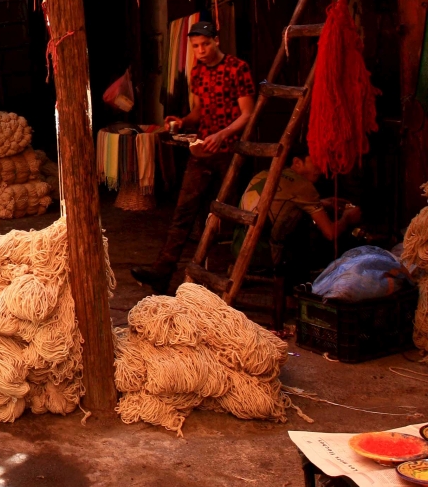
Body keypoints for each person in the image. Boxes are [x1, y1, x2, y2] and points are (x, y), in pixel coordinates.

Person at [131, 20, 255, 294]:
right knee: (182, 213)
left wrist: (223, 134)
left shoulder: (238, 68)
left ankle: (238, 277)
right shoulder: (197, 73)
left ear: (216, 41)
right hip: (203, 150)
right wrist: (181, 122)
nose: (200, 50)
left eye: (205, 44)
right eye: (196, 46)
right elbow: (199, 112)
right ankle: (162, 273)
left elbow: (248, 113)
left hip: (231, 152)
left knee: (231, 217)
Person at [236, 147, 361, 283]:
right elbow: (330, 233)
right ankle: (300, 292)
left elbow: (282, 198)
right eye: (316, 161)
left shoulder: (266, 173)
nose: (321, 167)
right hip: (262, 254)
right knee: (309, 232)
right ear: (297, 162)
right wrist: (347, 218)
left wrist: (321, 203)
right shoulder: (303, 185)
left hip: (239, 247)